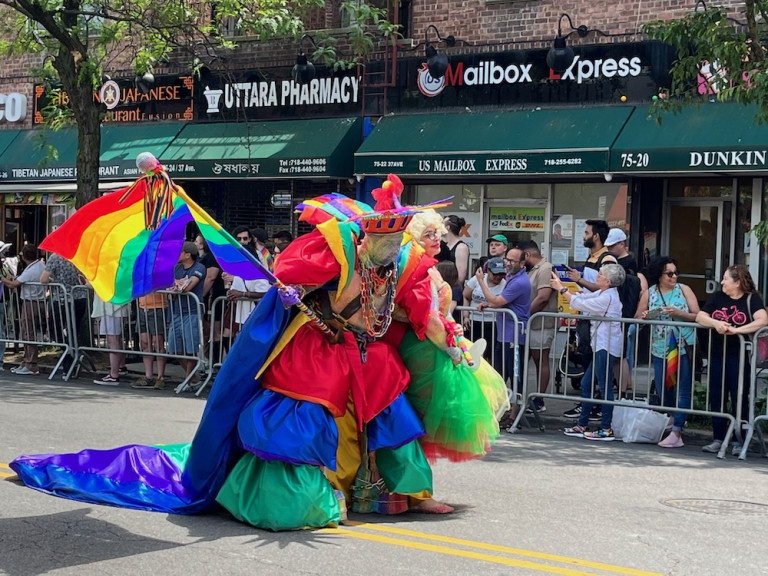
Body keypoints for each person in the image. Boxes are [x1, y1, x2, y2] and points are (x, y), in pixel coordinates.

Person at [399, 210, 508, 466]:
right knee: (423, 417)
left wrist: (451, 329)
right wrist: (452, 348)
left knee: (427, 418)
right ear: (415, 238)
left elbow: (437, 313)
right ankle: (411, 483)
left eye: (438, 233)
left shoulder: (430, 268)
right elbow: (426, 317)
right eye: (429, 235)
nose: (437, 239)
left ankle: (416, 484)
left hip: (435, 343)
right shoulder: (419, 270)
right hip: (424, 349)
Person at [696, 265, 768, 455]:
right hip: (718, 353)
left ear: (737, 282)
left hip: (741, 356)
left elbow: (762, 320)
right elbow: (700, 316)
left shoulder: (752, 299)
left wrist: (737, 330)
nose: (722, 282)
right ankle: (718, 437)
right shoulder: (719, 297)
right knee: (717, 394)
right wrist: (716, 323)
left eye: (726, 279)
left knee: (740, 395)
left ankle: (738, 439)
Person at [551, 263, 625, 441]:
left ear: (607, 281)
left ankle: (606, 428)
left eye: (600, 275)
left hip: (605, 346)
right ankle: (582, 424)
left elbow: (579, 302)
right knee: (586, 383)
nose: (597, 277)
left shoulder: (607, 297)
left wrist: (561, 288)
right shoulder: (604, 293)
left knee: (605, 386)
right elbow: (583, 297)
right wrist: (573, 289)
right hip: (599, 345)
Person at [637, 257, 699, 448]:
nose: (674, 276)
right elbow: (638, 316)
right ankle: (673, 417)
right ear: (659, 275)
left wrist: (679, 314)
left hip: (682, 344)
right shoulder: (650, 293)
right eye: (669, 273)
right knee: (664, 388)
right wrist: (645, 316)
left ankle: (677, 429)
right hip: (660, 347)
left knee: (682, 387)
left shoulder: (684, 289)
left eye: (675, 272)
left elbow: (698, 315)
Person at [562, 219, 617, 421]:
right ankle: (588, 406)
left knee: (597, 371)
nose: (583, 236)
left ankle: (600, 412)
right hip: (588, 317)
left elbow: (604, 288)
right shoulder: (592, 256)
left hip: (600, 322)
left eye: (586, 232)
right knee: (587, 363)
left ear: (596, 236)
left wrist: (579, 280)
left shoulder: (607, 259)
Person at [475, 246, 531, 400]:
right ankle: (503, 410)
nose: (508, 263)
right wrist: (489, 305)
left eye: (512, 261)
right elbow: (502, 301)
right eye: (507, 259)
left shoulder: (519, 282)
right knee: (499, 373)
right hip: (504, 334)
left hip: (514, 335)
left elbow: (496, 300)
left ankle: (515, 414)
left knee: (514, 376)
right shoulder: (512, 277)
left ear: (522, 264)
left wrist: (481, 281)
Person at [604, 227, 646, 396]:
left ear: (622, 244)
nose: (609, 250)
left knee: (621, 354)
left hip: (625, 313)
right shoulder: (623, 263)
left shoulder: (628, 264)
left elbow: (640, 289)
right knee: (619, 355)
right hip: (621, 312)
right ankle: (623, 386)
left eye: (612, 246)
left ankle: (623, 388)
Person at [522, 241, 557, 414]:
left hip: (541, 322)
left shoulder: (545, 268)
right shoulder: (531, 270)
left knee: (540, 358)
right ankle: (523, 396)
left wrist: (525, 314)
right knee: (528, 358)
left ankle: (539, 399)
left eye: (522, 258)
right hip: (530, 322)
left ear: (528, 255)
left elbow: (543, 297)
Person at [39, 252, 87, 374]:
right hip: (80, 297)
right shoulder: (79, 255)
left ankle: (68, 355)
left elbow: (43, 279)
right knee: (73, 330)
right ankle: (72, 358)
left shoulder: (55, 257)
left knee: (55, 329)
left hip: (62, 298)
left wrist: (53, 280)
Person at [3, 245, 45, 375]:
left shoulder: (31, 270)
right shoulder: (40, 266)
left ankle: (31, 364)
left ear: (24, 256)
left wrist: (2, 278)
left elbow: (13, 285)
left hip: (31, 302)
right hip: (37, 301)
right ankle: (26, 361)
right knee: (28, 332)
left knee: (28, 333)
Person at [167, 241, 206, 384]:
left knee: (191, 348)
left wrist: (177, 284)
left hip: (192, 312)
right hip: (177, 311)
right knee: (175, 349)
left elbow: (187, 286)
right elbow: (169, 284)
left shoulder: (199, 267)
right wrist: (176, 284)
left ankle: (188, 379)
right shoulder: (177, 268)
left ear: (188, 254)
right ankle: (192, 379)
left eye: (179, 251)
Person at [462, 256, 506, 348]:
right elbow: (466, 296)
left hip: (493, 322)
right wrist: (466, 316)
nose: (498, 277)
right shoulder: (476, 279)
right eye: (495, 274)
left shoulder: (504, 284)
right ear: (488, 271)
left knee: (490, 352)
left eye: (501, 274)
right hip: (474, 320)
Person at [195, 234, 226, 363]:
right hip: (211, 298)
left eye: (197, 241)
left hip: (214, 297)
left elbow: (210, 277)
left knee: (215, 331)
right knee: (209, 332)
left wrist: (200, 295)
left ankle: (215, 363)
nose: (195, 243)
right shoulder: (206, 257)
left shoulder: (212, 257)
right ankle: (211, 362)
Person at [131, 291, 169, 390]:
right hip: (142, 306)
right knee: (145, 343)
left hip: (158, 306)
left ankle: (161, 377)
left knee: (158, 343)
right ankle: (149, 376)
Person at [90, 291, 130, 385]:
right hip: (113, 306)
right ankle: (120, 367)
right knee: (115, 339)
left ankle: (114, 375)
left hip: (113, 308)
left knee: (113, 340)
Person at [437, 215, 470, 286]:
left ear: (448, 227)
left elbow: (460, 277)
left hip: (452, 290)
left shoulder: (461, 247)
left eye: (442, 224)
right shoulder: (445, 246)